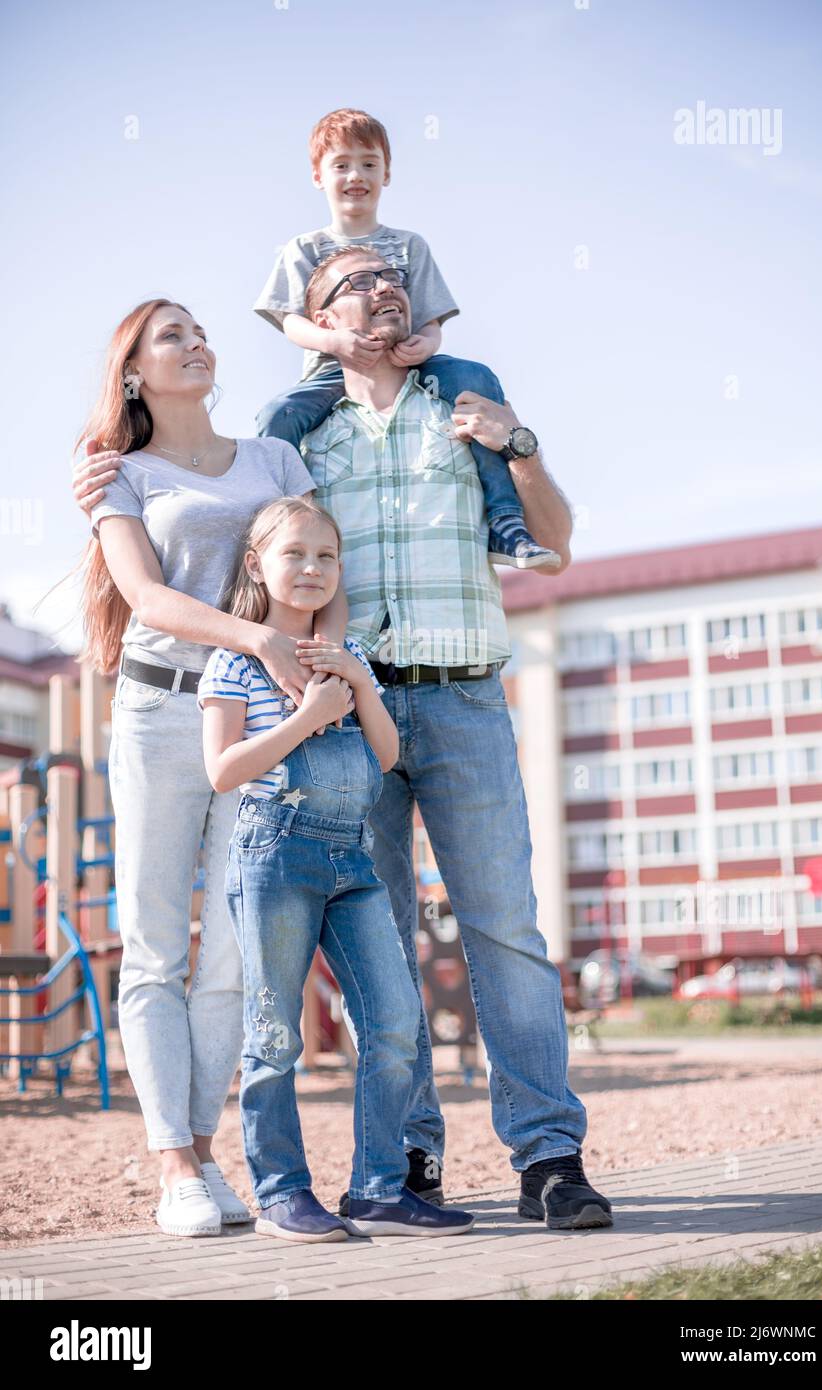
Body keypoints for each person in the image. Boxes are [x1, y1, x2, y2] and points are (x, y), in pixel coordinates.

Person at [297, 244, 614, 1231]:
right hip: (350, 713)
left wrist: (520, 446)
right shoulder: (302, 439)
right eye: (357, 281)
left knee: (504, 927)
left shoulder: (465, 408)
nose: (385, 287)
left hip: (465, 699)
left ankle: (548, 1157)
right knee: (376, 939)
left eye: (394, 278)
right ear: (321, 321)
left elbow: (554, 546)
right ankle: (408, 1155)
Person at [75, 298, 349, 1237]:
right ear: (133, 371)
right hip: (159, 711)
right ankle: (174, 1166)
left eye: (200, 332)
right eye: (172, 336)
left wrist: (320, 664)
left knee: (235, 946)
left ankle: (201, 1147)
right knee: (154, 943)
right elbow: (146, 596)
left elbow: (324, 567)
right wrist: (258, 638)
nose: (195, 344)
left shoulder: (274, 461)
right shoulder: (120, 474)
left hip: (260, 714)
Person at [197, 495, 476, 1241]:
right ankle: (282, 1193)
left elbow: (384, 756)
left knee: (395, 1022)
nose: (312, 568)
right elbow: (223, 770)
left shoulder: (346, 659)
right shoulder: (235, 662)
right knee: (274, 1034)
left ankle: (379, 1189)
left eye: (327, 556)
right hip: (275, 855)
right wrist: (307, 719)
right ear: (257, 565)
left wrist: (354, 678)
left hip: (352, 859)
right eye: (294, 554)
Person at [253, 107, 558, 571]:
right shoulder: (305, 248)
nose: (356, 175)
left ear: (387, 173)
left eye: (369, 163)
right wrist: (334, 343)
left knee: (475, 380)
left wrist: (427, 344)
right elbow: (290, 320)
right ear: (318, 176)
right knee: (277, 417)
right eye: (341, 165)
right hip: (333, 371)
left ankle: (504, 520)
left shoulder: (409, 245)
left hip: (406, 363)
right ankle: (285, 530)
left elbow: (431, 318)